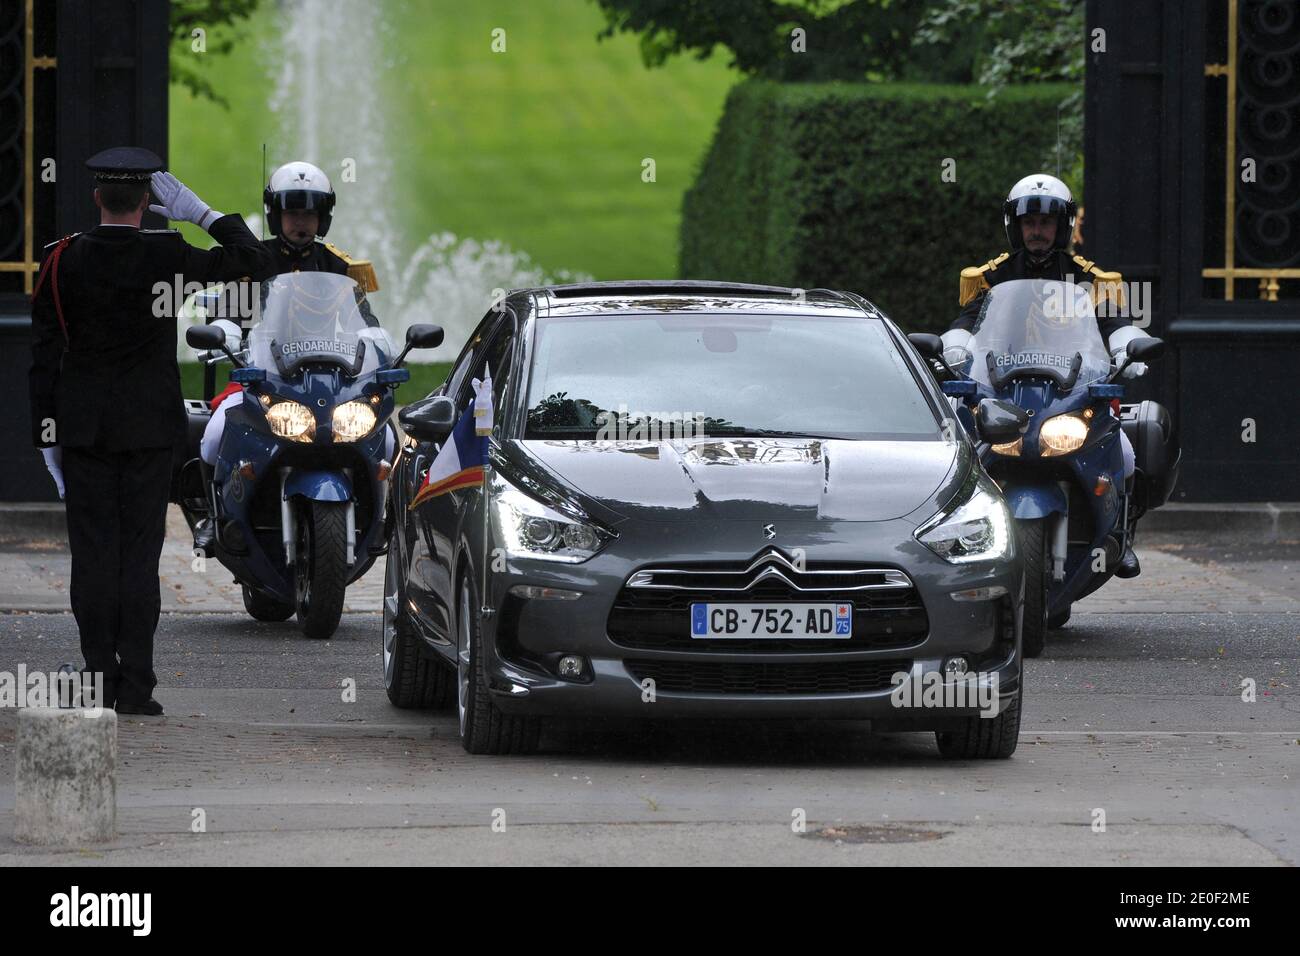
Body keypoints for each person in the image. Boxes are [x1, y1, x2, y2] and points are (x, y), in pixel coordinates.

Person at [29, 147, 277, 715]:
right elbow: (255, 263)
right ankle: (137, 684)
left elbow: (44, 357)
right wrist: (202, 213)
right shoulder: (168, 256)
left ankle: (98, 678)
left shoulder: (61, 260)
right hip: (147, 429)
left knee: (93, 556)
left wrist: (47, 434)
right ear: (149, 200)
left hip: (85, 430)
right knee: (139, 557)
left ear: (97, 198)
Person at [940, 173, 1152, 578]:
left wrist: (1128, 345)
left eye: (1046, 223)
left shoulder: (1088, 277)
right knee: (956, 442)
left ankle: (1122, 538)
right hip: (1004, 387)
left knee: (1125, 451)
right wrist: (953, 347)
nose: (1037, 231)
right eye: (1029, 222)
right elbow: (968, 323)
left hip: (1069, 388)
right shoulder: (993, 276)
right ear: (1015, 227)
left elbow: (1112, 323)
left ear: (1063, 227)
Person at [191, 161, 391, 555]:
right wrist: (227, 329)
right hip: (261, 377)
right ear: (276, 215)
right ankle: (215, 519)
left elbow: (364, 320)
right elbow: (229, 309)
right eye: (292, 213)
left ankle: (384, 517)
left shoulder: (341, 266)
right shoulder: (254, 258)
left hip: (331, 380)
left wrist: (377, 342)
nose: (301, 222)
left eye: (310, 213)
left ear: (323, 218)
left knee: (385, 441)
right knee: (214, 434)